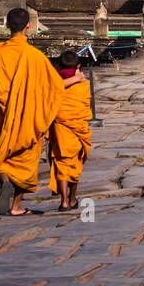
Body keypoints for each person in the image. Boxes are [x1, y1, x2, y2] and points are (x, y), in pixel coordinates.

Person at [0, 8, 64, 216]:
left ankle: (4, 178)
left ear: (6, 25)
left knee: (2, 157)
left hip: (1, 118)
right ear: (29, 26)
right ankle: (16, 206)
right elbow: (55, 87)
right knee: (25, 162)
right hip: (27, 120)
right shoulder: (35, 57)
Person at [48, 50, 92, 212]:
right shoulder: (83, 84)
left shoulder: (54, 83)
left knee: (61, 162)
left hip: (60, 126)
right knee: (75, 162)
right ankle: (72, 198)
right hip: (78, 127)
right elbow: (86, 106)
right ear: (78, 66)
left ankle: (64, 201)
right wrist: (77, 78)